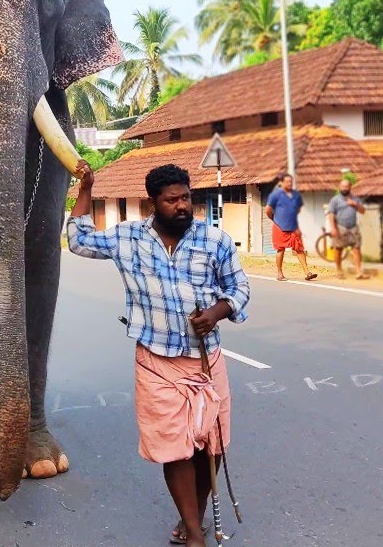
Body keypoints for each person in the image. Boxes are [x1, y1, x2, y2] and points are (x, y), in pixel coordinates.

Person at [68, 163, 250, 547]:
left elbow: (239, 289)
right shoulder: (128, 238)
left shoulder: (214, 241)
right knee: (175, 448)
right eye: (172, 200)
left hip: (206, 361)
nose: (182, 206)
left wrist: (216, 313)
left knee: (211, 447)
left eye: (186, 198)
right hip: (155, 361)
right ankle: (195, 533)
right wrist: (86, 188)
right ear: (154, 203)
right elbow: (79, 239)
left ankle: (192, 518)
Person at [265, 173, 317, 281]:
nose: (289, 183)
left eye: (291, 181)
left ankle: (307, 272)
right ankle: (280, 273)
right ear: (282, 182)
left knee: (299, 248)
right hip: (279, 227)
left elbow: (298, 208)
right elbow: (268, 210)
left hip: (293, 226)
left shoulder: (296, 195)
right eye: (287, 181)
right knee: (280, 250)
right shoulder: (276, 195)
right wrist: (276, 219)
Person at [326, 178, 367, 280]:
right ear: (340, 187)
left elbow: (363, 211)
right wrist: (333, 228)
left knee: (356, 249)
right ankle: (339, 270)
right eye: (343, 187)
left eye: (346, 186)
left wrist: (355, 204)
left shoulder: (355, 199)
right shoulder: (335, 200)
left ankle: (358, 271)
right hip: (340, 227)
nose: (344, 188)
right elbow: (331, 214)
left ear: (350, 187)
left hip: (353, 227)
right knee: (339, 249)